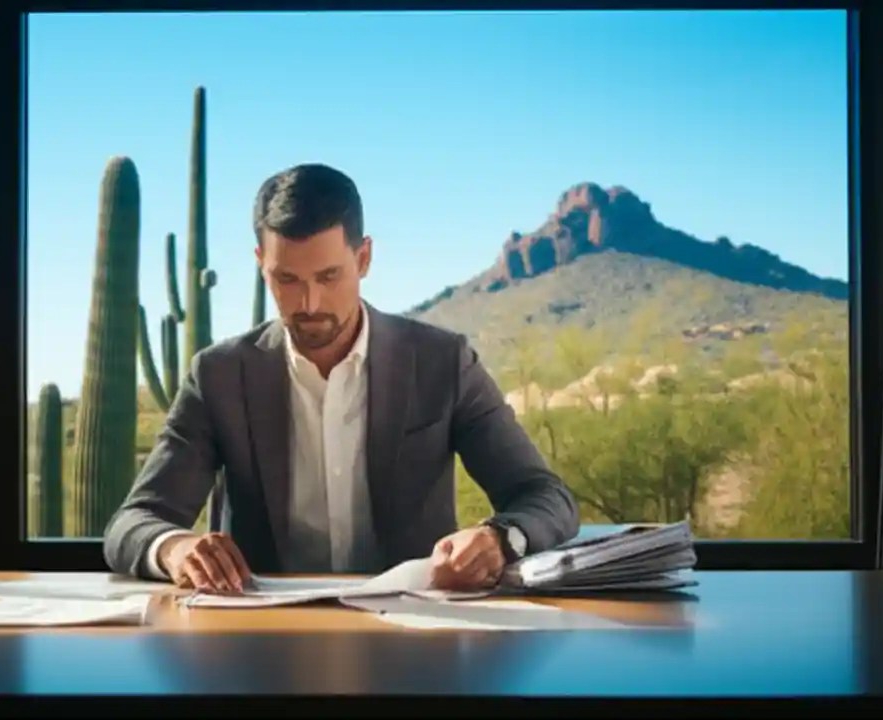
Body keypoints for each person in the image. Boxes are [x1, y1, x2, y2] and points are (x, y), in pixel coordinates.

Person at [102, 162, 579, 593]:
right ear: (260, 265)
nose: (309, 304)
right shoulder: (220, 376)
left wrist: (501, 538)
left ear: (364, 258)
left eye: (329, 277)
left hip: (412, 628)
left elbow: (546, 496)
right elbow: (134, 522)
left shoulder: (442, 362)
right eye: (286, 280)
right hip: (264, 634)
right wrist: (174, 548)